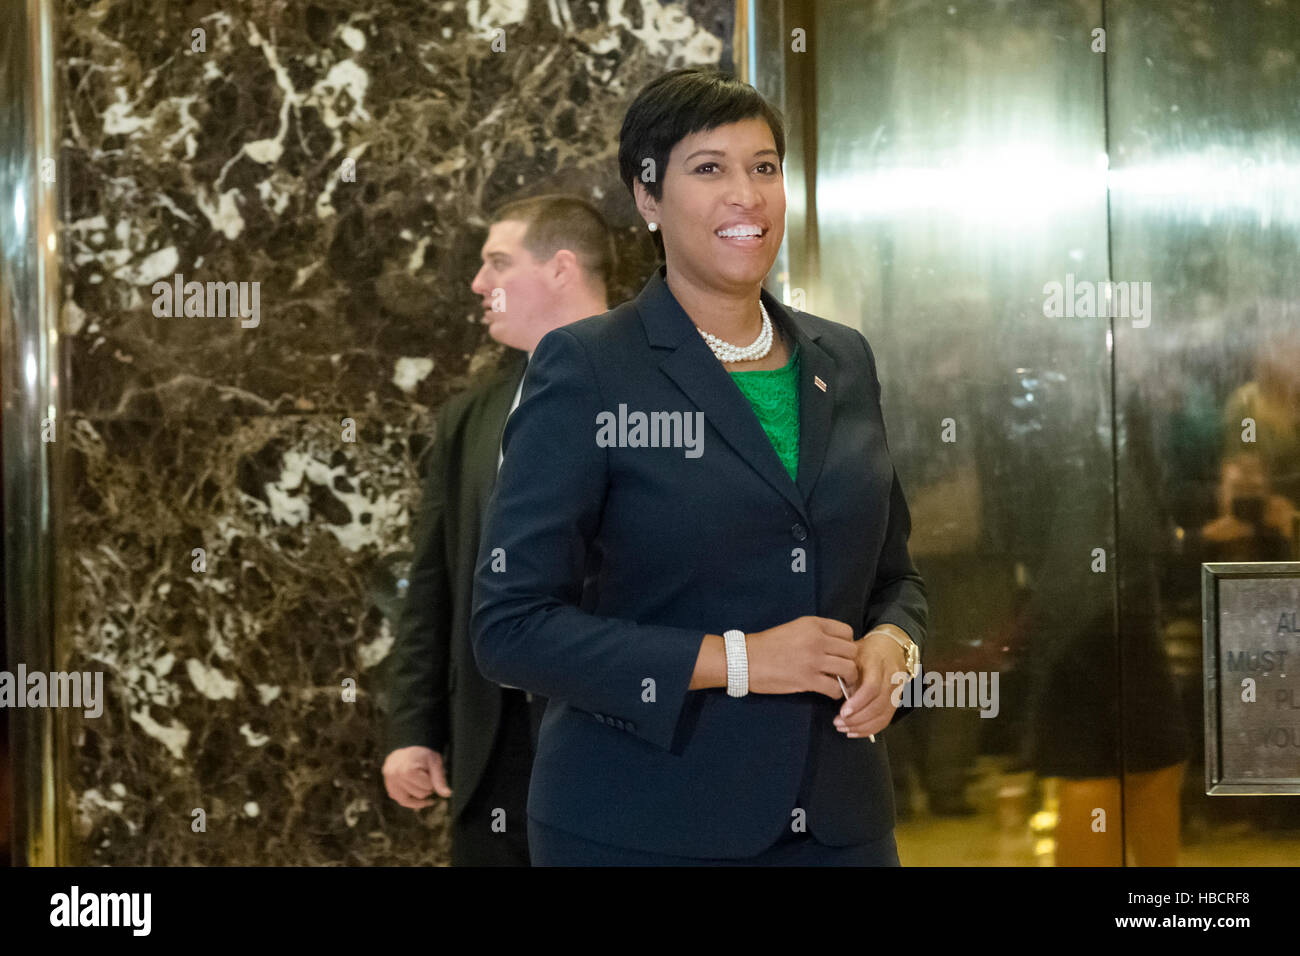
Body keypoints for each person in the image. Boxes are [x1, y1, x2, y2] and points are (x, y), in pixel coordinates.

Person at [470, 68, 928, 865]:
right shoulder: (587, 366)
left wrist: (894, 646)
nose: (746, 195)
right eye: (709, 168)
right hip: (643, 824)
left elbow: (896, 576)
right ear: (648, 199)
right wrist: (741, 660)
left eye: (764, 167)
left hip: (840, 825)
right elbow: (510, 628)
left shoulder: (842, 359)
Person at [383, 194, 615, 865]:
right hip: (491, 753)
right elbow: (432, 585)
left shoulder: (666, 393)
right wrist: (413, 730)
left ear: (561, 269)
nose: (478, 284)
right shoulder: (470, 417)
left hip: (621, 747)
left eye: (497, 263)